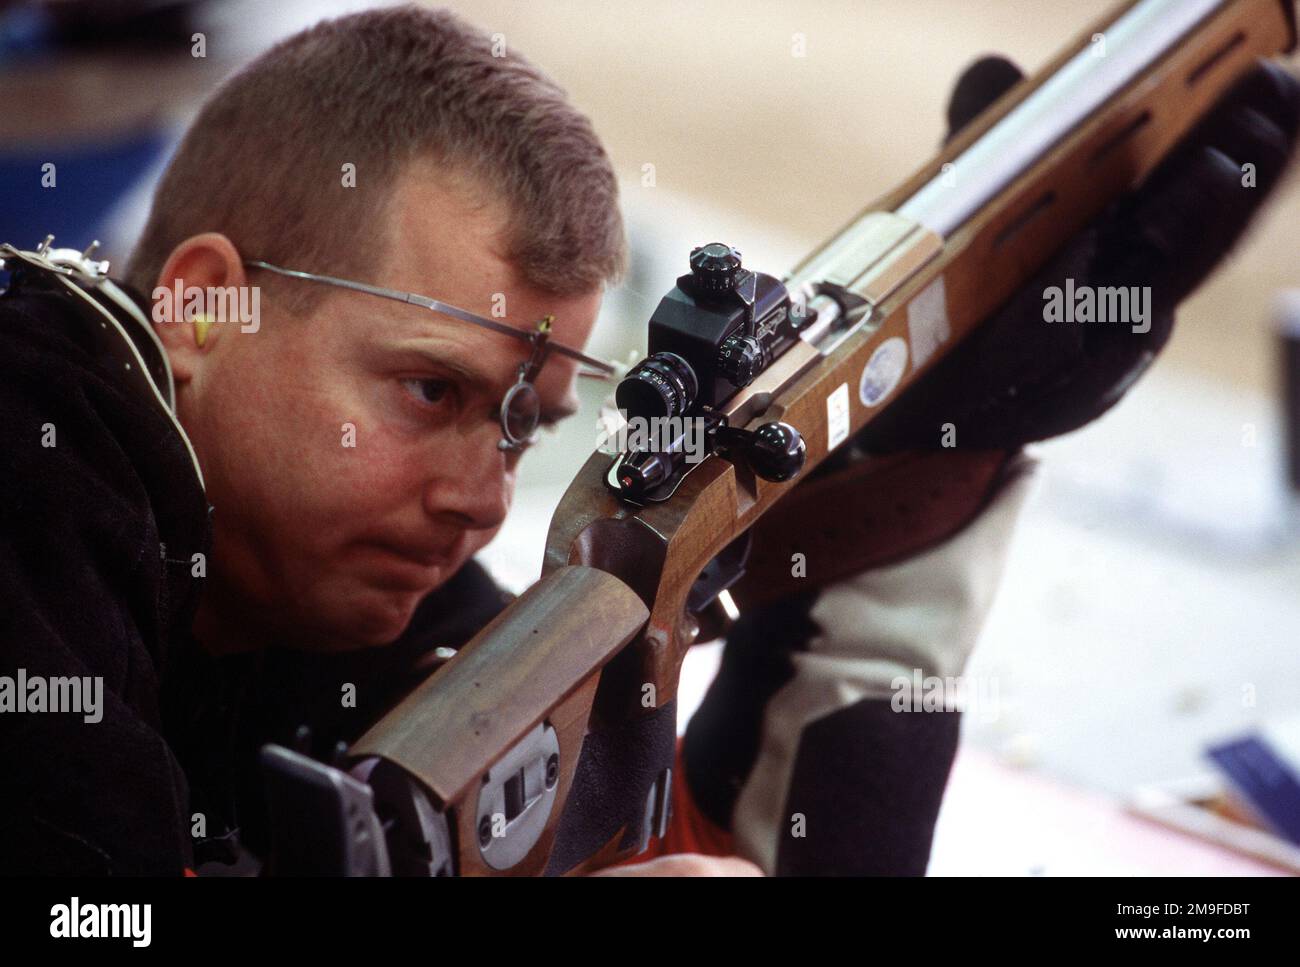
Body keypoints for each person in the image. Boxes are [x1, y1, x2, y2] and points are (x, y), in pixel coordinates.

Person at [0, 5, 1295, 876]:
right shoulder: (32, 450)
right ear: (200, 302)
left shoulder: (361, 598)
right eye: (432, 395)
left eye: (524, 430)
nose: (479, 501)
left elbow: (695, 840)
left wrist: (942, 451)